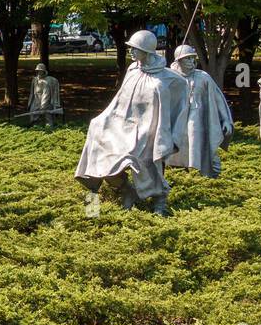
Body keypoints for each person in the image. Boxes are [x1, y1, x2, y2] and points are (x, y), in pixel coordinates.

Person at [75, 29, 187, 215]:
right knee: (98, 140)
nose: (131, 52)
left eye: (135, 48)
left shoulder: (167, 78)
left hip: (148, 132)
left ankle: (160, 199)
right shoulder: (133, 69)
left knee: (139, 158)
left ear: (147, 50)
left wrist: (171, 133)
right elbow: (120, 101)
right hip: (122, 126)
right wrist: (103, 119)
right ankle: (119, 191)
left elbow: (181, 98)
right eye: (130, 48)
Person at [167, 44, 232, 177]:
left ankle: (207, 174)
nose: (192, 62)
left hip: (197, 119)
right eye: (187, 59)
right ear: (178, 60)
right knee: (175, 148)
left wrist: (225, 119)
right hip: (176, 120)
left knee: (198, 144)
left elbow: (218, 98)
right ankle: (177, 173)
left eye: (193, 58)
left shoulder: (203, 77)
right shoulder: (170, 77)